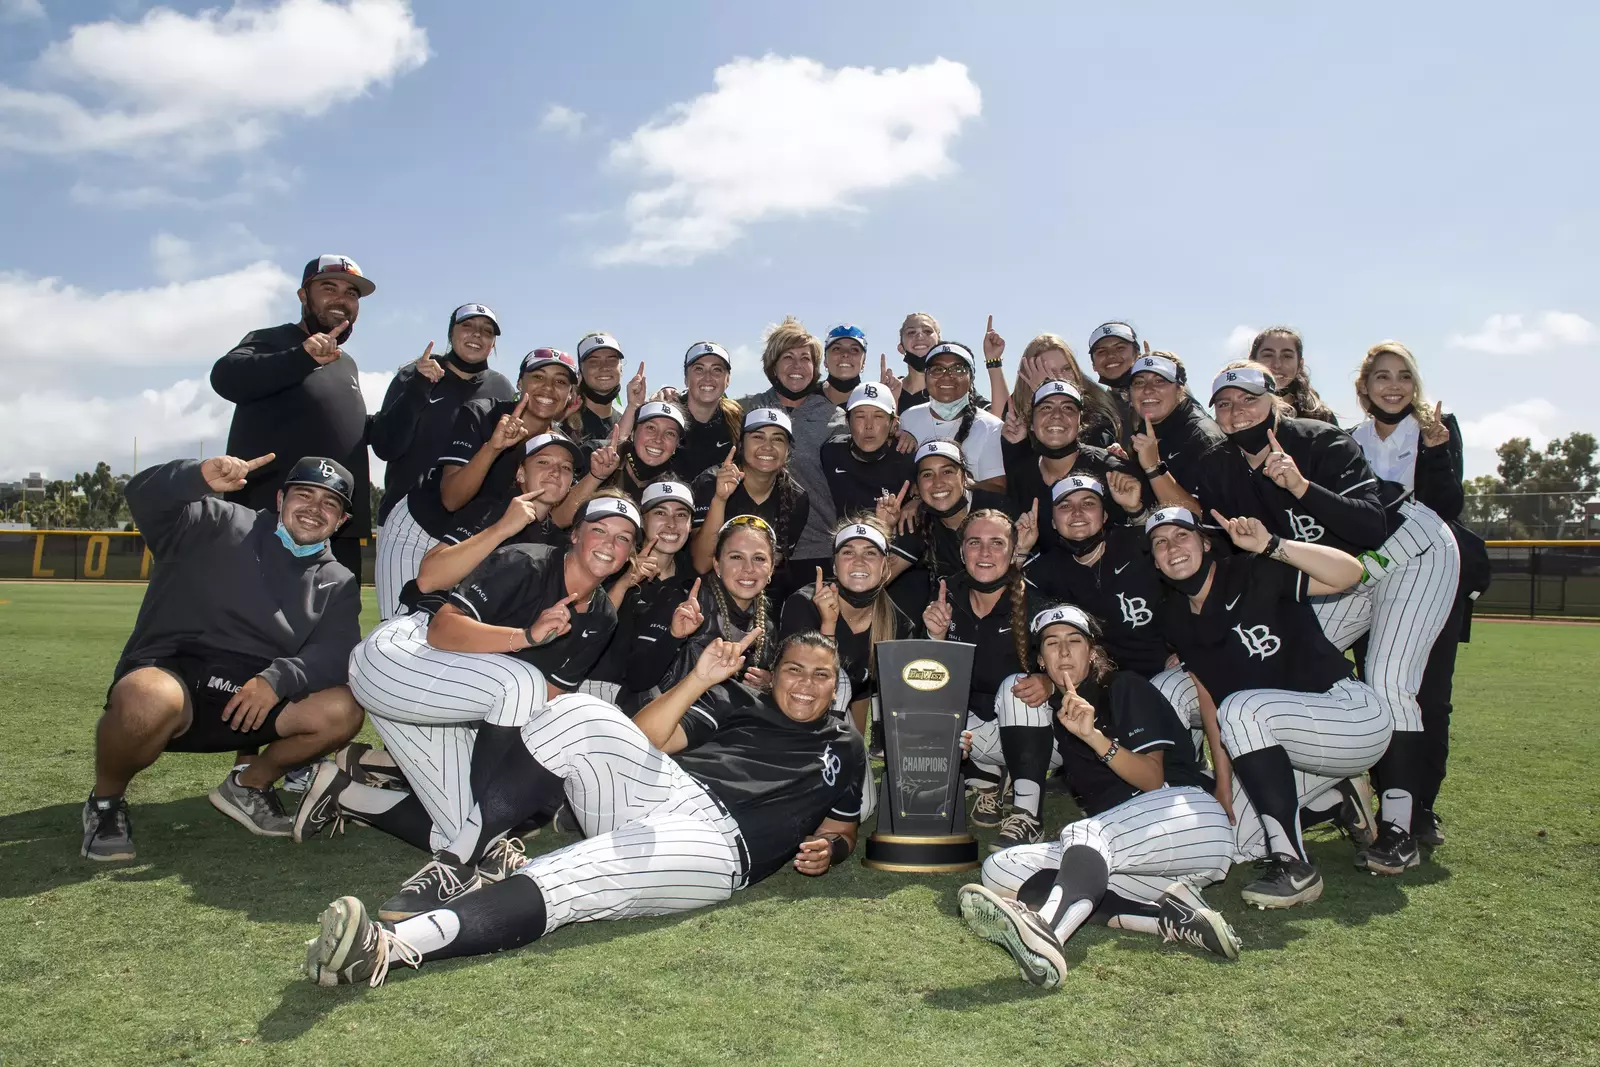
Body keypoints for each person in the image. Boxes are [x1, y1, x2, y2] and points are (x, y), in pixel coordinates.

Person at [303, 631, 866, 989]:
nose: (806, 684)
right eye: (795, 669)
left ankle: (388, 948)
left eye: (821, 674)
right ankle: (460, 861)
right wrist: (700, 679)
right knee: (577, 711)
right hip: (668, 791)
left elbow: (843, 826)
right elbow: (644, 736)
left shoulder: (845, 744)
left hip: (719, 849)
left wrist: (832, 850)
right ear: (774, 673)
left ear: (835, 684)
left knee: (570, 877)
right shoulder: (738, 699)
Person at [319, 495, 640, 920]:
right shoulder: (526, 561)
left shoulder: (602, 617)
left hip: (447, 700)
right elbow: (441, 629)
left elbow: (546, 698)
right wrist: (527, 636)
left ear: (630, 554)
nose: (609, 543)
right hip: (396, 659)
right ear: (575, 533)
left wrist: (531, 779)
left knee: (465, 828)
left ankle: (345, 793)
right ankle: (452, 870)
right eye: (599, 529)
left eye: (623, 538)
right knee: (519, 683)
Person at [1206, 363, 1460, 876]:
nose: (1237, 412)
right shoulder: (1224, 466)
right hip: (1339, 573)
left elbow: (1369, 525)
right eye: (1226, 404)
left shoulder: (1317, 441)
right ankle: (1332, 784)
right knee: (1291, 661)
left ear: (1274, 400)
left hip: (1409, 550)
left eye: (1249, 400)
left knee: (1390, 681)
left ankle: (1399, 828)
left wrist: (1301, 487)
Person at [82, 455, 365, 861]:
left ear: (340, 522)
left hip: (251, 699)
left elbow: (337, 652)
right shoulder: (217, 521)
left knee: (344, 709)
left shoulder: (337, 580)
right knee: (147, 698)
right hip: (176, 677)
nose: (314, 509)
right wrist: (194, 476)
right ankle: (105, 802)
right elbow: (142, 495)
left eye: (329, 503)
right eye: (304, 495)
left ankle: (250, 784)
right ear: (282, 497)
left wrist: (276, 680)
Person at [959, 605, 1239, 987]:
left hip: (1188, 817)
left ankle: (1048, 934)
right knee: (1000, 870)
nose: (1063, 652)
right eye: (1052, 644)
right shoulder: (1060, 711)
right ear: (1041, 660)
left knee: (1082, 833)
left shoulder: (1124, 687)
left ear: (1091, 651)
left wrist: (1094, 736)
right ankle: (1166, 915)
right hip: (1132, 857)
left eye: (1074, 641)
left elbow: (1153, 780)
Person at [1146, 506, 1389, 909]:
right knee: (1240, 842)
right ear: (1154, 560)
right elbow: (1210, 700)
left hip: (1349, 716)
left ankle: (1295, 868)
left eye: (1181, 536)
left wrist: (1273, 545)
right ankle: (1334, 800)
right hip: (1293, 743)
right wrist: (1223, 785)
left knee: (1243, 708)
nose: (1172, 547)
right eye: (1159, 542)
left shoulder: (1250, 570)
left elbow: (1350, 574)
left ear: (1205, 542)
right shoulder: (1175, 616)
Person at [1350, 341, 1483, 847]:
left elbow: (1448, 505)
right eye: (1382, 376)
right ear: (1365, 387)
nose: (1394, 385)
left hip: (1431, 577)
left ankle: (1422, 806)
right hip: (1371, 580)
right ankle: (1386, 798)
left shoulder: (1435, 431)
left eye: (1403, 376)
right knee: (1380, 690)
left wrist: (1434, 451)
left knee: (1431, 696)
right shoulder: (1348, 439)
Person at [376, 348, 582, 620]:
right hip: (423, 528)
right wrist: (493, 448)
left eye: (560, 382)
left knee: (442, 637)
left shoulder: (557, 446)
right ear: (520, 383)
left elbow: (555, 513)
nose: (548, 388)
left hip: (474, 541)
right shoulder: (483, 413)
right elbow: (451, 499)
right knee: (397, 628)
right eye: (538, 377)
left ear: (570, 395)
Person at [210, 254, 375, 577]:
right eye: (329, 288)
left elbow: (356, 432)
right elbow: (226, 377)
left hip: (336, 531)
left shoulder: (346, 363)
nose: (342, 299)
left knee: (333, 626)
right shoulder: (273, 340)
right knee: (253, 625)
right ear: (303, 296)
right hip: (267, 524)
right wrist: (302, 357)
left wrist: (413, 393)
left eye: (351, 294)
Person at [370, 304, 516, 609]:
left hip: (463, 530)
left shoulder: (501, 388)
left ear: (494, 343)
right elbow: (385, 446)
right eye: (467, 326)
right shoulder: (416, 373)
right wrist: (418, 388)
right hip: (406, 520)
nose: (476, 335)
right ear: (451, 333)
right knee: (397, 627)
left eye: (486, 331)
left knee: (451, 633)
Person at [921, 509, 1045, 830]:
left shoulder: (1035, 598)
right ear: (962, 552)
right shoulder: (947, 594)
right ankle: (985, 775)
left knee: (1017, 685)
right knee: (925, 710)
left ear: (1013, 551)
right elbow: (928, 681)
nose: (986, 553)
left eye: (997, 543)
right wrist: (934, 637)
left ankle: (1027, 812)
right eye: (975, 543)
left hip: (1039, 739)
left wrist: (1049, 682)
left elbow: (1075, 664)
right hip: (978, 735)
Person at [734, 317, 847, 602]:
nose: (797, 366)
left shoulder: (836, 417)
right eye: (788, 357)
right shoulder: (744, 409)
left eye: (805, 359)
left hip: (818, 550)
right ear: (772, 364)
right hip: (754, 551)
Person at [778, 517, 920, 735]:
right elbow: (806, 680)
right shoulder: (805, 604)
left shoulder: (897, 625)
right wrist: (829, 624)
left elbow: (863, 690)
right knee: (835, 677)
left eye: (870, 553)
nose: (859, 561)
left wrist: (855, 748)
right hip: (791, 711)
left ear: (885, 567)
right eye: (848, 552)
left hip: (838, 712)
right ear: (835, 565)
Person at [582, 481, 704, 711]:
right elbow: (585, 630)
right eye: (660, 513)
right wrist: (624, 583)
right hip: (589, 687)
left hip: (647, 701)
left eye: (681, 515)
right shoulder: (611, 563)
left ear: (690, 525)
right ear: (642, 520)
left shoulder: (693, 584)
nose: (671, 524)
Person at [999, 379, 1145, 523]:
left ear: (1081, 422)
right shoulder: (1020, 476)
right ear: (1031, 423)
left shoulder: (1115, 471)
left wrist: (1136, 512)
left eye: (1068, 408)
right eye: (1046, 408)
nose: (1056, 415)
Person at [878, 440, 1013, 587]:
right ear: (917, 486)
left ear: (964, 477)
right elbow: (877, 579)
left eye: (947, 472)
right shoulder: (916, 518)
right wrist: (883, 530)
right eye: (927, 475)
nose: (938, 482)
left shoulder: (999, 509)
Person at [690, 408, 810, 572]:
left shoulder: (796, 497)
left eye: (778, 439)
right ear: (740, 445)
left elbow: (775, 565)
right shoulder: (711, 482)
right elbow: (702, 565)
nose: (767, 446)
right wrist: (720, 499)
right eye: (758, 437)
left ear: (788, 451)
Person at [1122, 352, 1228, 511]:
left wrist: (1154, 468)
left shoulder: (1203, 438)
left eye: (1159, 381)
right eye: (1139, 382)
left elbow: (1202, 519)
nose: (1148, 390)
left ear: (1180, 389)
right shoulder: (1146, 429)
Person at [898, 342, 1007, 491]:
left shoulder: (991, 426)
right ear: (926, 377)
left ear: (971, 379)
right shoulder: (908, 418)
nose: (947, 376)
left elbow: (998, 488)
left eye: (957, 369)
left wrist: (950, 485)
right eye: (937, 369)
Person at [820, 382, 916, 522]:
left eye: (878, 416)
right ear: (847, 421)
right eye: (860, 416)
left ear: (893, 424)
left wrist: (919, 502)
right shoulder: (831, 451)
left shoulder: (908, 460)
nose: (869, 426)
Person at [1004, 332, 1121, 447]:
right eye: (1050, 372)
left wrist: (1047, 393)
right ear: (1029, 374)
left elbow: (1093, 450)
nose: (1061, 378)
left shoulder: (1095, 403)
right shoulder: (1015, 408)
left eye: (1066, 369)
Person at [673, 341, 742, 478]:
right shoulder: (667, 416)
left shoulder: (737, 421)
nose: (708, 377)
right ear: (686, 378)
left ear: (727, 380)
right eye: (699, 369)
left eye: (717, 369)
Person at [1249, 327, 1338, 424]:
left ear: (1300, 365)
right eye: (1268, 355)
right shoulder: (1235, 413)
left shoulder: (1321, 418)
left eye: (1287, 356)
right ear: (1252, 361)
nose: (1277, 364)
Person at [574, 332, 643, 443]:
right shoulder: (562, 421)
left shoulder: (631, 422)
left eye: (612, 360)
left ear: (621, 368)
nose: (604, 367)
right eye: (594, 362)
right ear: (580, 370)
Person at [1084, 321, 1142, 432]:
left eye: (1120, 348)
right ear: (1093, 365)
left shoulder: (1165, 391)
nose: (1111, 355)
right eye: (1101, 351)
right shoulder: (1091, 407)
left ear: (1137, 354)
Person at [819, 324, 870, 406]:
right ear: (825, 360)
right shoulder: (804, 398)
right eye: (837, 349)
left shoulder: (873, 400)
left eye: (854, 350)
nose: (845, 354)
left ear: (863, 362)